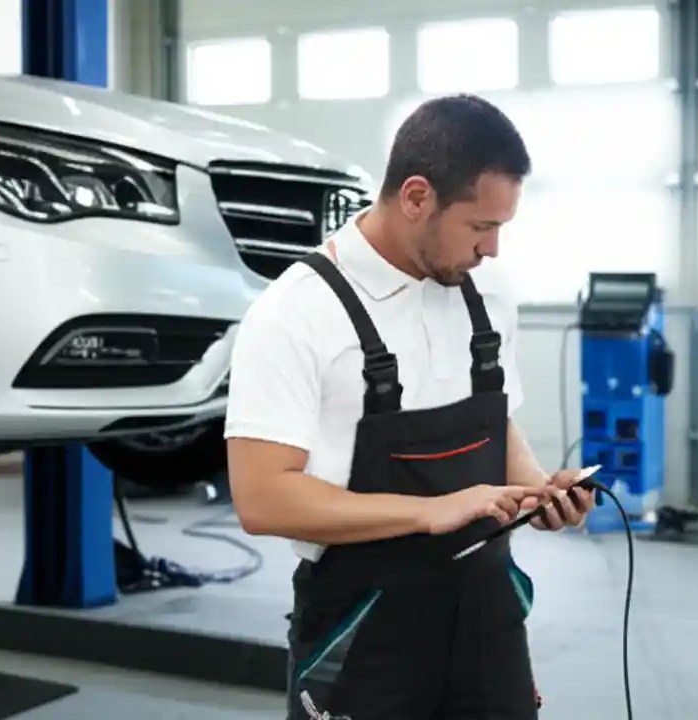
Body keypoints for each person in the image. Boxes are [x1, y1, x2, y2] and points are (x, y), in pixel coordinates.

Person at [224, 94, 597, 720]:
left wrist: (538, 492)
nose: (494, 249)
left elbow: (491, 418)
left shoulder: (488, 293)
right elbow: (262, 500)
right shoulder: (295, 313)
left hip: (488, 616)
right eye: (481, 227)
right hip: (365, 626)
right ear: (417, 197)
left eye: (502, 227)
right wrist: (432, 511)